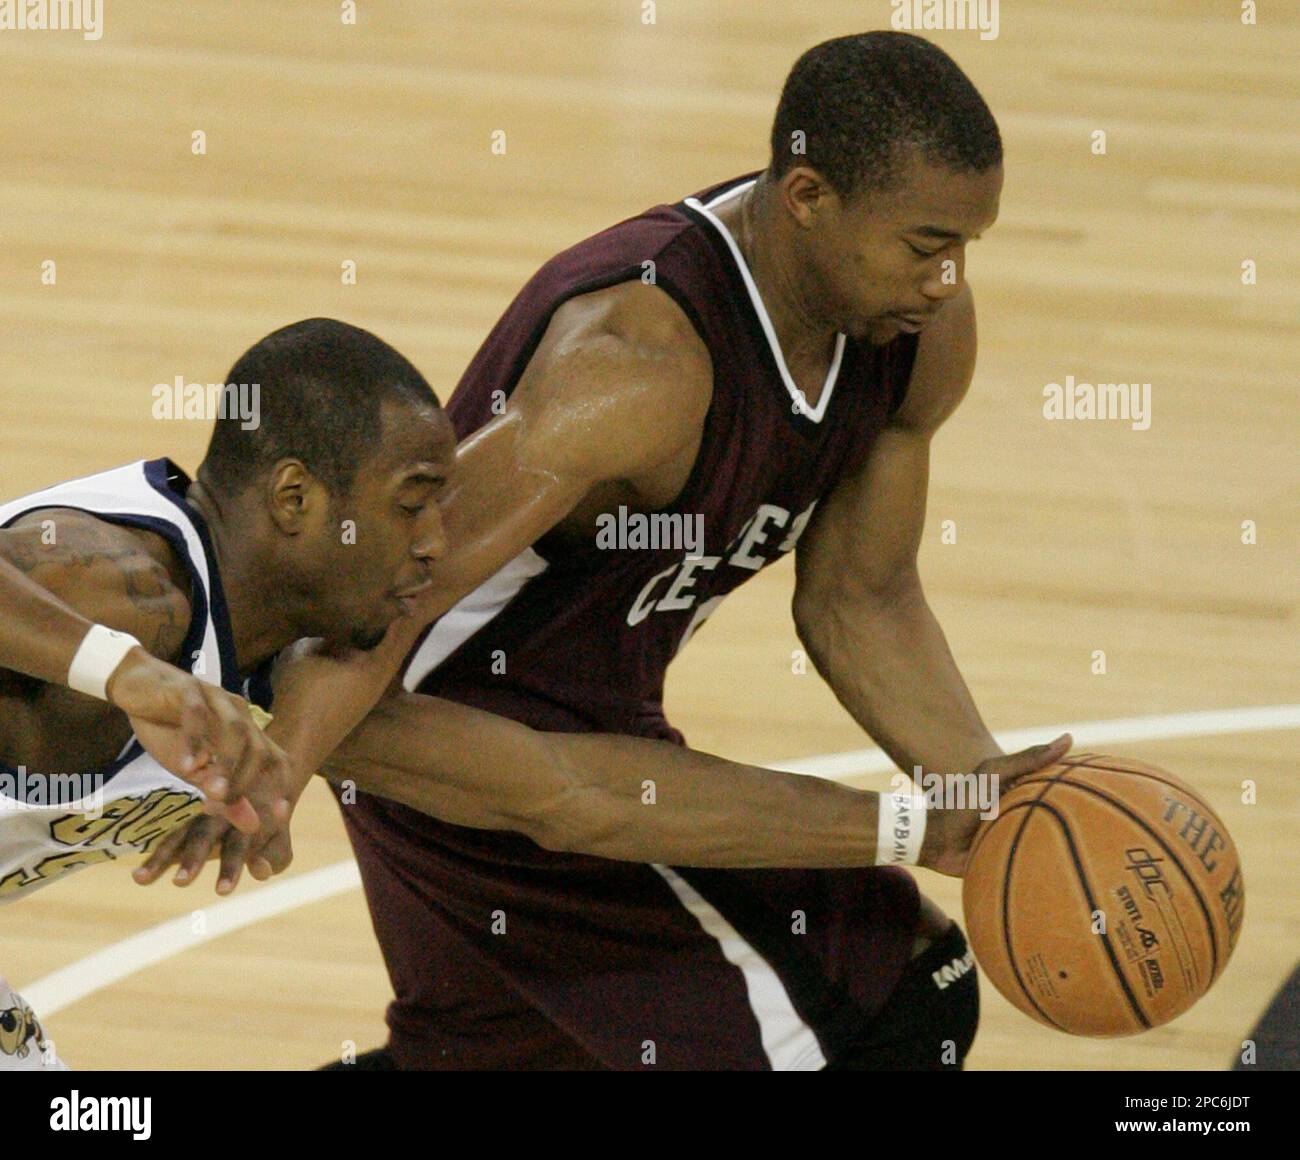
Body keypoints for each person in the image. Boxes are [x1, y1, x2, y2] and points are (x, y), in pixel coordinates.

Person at [154, 32, 1070, 1070]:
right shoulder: (638, 368)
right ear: (808, 196)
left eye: (967, 248)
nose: (947, 279)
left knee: (500, 1056)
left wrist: (993, 800)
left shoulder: (915, 336)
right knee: (891, 991)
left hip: (596, 696)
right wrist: (278, 770)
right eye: (926, 243)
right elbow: (386, 598)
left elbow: (862, 596)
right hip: (435, 712)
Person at [0, 317, 452, 1067]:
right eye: (411, 505)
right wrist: (128, 671)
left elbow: (552, 791)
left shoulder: (274, 678)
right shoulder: (123, 588)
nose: (436, 539)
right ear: (294, 498)